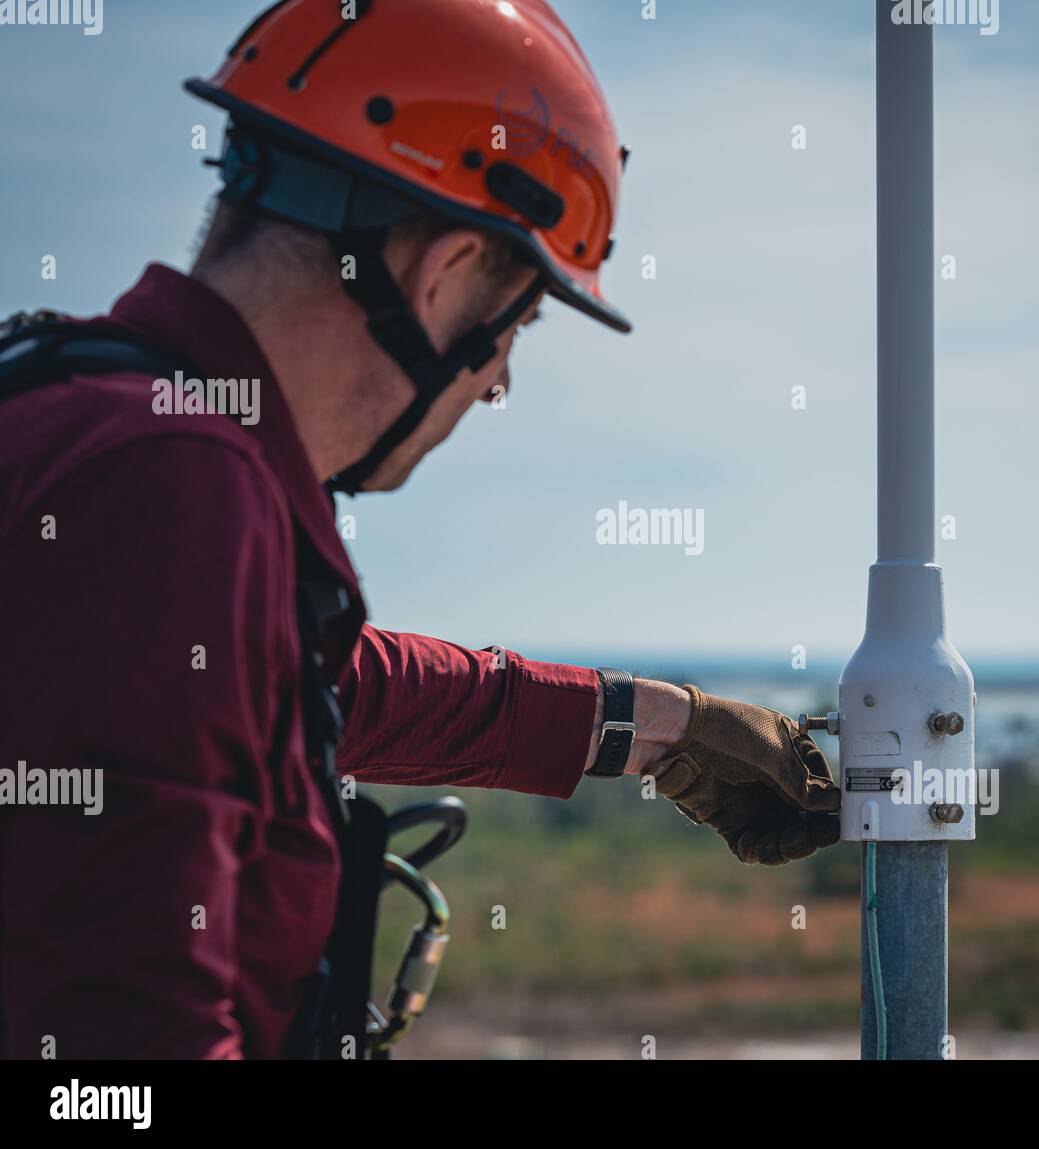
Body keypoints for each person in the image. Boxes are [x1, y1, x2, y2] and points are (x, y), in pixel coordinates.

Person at [0, 0, 838, 1060]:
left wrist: (656, 724)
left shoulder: (72, 408)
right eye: (513, 331)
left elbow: (322, 685)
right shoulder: (172, 485)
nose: (495, 389)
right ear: (442, 278)